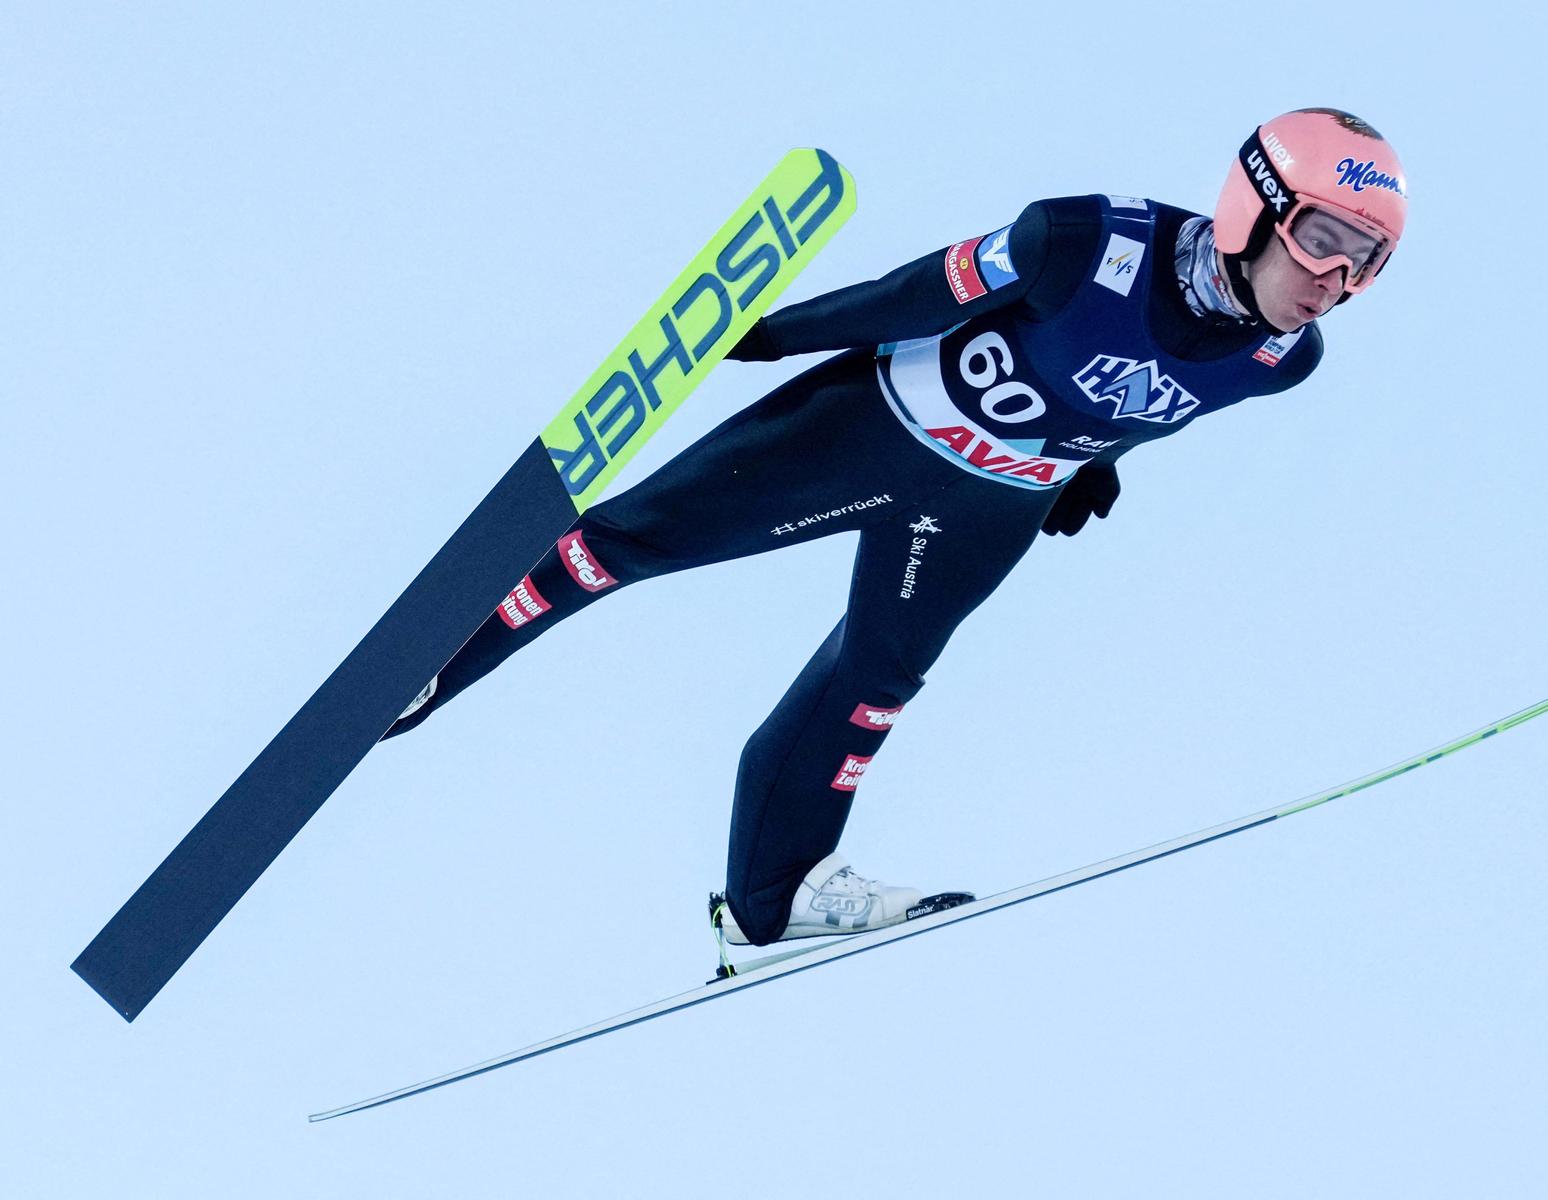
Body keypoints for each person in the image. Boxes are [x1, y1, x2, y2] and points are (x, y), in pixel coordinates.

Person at [383, 107, 1409, 950]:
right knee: (628, 543)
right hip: (872, 430)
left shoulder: (1283, 361)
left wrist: (1091, 467)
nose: (1339, 280)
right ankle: (428, 663)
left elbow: (1147, 397)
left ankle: (772, 899)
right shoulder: (1087, 241)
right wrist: (765, 335)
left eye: (1369, 261)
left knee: (876, 682)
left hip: (989, 504)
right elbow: (913, 293)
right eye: (1326, 238)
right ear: (1255, 210)